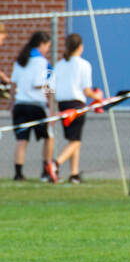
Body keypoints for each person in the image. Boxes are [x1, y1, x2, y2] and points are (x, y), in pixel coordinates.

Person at [10, 31, 54, 182]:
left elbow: (13, 83)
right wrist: (50, 95)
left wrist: (12, 103)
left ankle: (18, 173)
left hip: (20, 104)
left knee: (22, 139)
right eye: (47, 46)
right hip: (36, 105)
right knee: (48, 137)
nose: (47, 49)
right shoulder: (41, 62)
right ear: (41, 44)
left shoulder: (20, 61)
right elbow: (40, 84)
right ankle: (46, 170)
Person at [52, 34, 93, 184]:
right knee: (75, 141)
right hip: (76, 105)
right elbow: (87, 90)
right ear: (80, 47)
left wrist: (51, 106)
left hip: (62, 105)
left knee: (73, 139)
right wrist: (99, 97)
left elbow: (50, 88)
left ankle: (74, 174)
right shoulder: (84, 65)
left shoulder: (59, 65)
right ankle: (55, 164)